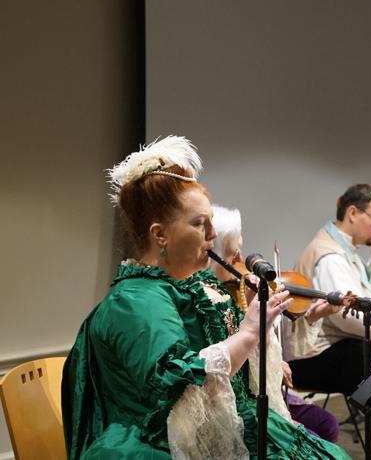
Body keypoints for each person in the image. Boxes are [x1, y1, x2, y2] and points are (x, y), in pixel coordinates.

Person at [62, 136, 348, 459]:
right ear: (160, 235)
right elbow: (185, 386)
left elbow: (234, 373)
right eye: (200, 224)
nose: (212, 235)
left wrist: (255, 321)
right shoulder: (135, 301)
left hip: (231, 424)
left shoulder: (192, 284)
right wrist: (249, 332)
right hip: (157, 445)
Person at [283, 184, 371, 459]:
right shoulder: (329, 256)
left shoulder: (339, 246)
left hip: (332, 346)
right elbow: (354, 319)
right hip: (311, 357)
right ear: (352, 213)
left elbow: (358, 291)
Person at [209, 205, 341, 443]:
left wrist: (275, 357)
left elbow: (269, 346)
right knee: (312, 434)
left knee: (327, 424)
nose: (240, 260)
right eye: (233, 253)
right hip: (244, 397)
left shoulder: (242, 291)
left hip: (268, 387)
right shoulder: (213, 299)